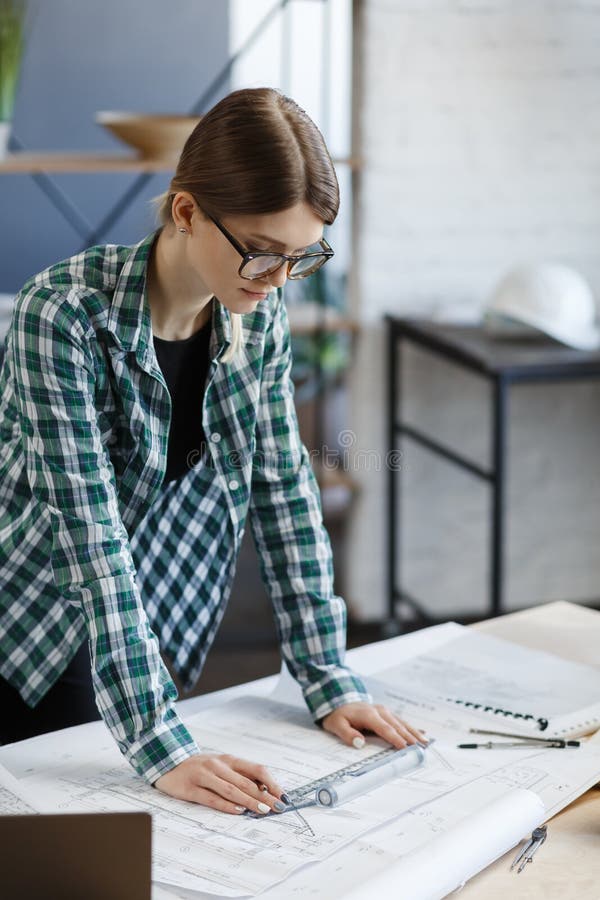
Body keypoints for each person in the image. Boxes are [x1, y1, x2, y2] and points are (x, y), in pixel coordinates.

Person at [0, 87, 425, 815]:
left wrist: (327, 675)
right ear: (188, 211)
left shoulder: (257, 314)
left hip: (151, 617)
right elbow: (92, 537)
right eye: (264, 255)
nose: (280, 281)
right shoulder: (63, 315)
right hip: (37, 623)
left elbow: (285, 488)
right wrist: (162, 743)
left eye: (303, 257)